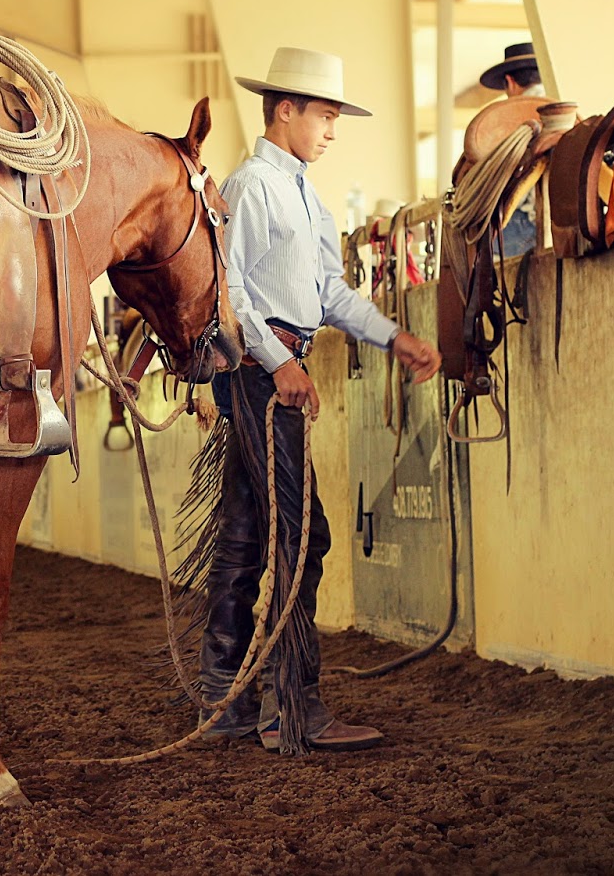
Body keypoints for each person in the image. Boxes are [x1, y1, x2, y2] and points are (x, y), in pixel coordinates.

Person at [200, 47, 441, 751]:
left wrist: (394, 338)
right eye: (325, 115)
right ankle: (292, 708)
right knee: (305, 538)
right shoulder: (251, 189)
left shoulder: (305, 194)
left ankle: (227, 701)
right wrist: (278, 364)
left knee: (249, 532)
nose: (333, 130)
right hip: (258, 372)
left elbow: (330, 294)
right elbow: (231, 292)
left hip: (269, 371)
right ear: (285, 111)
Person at [479, 42, 546, 257]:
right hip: (556, 218)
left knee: (476, 241)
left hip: (523, 223)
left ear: (510, 82)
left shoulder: (511, 118)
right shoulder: (560, 107)